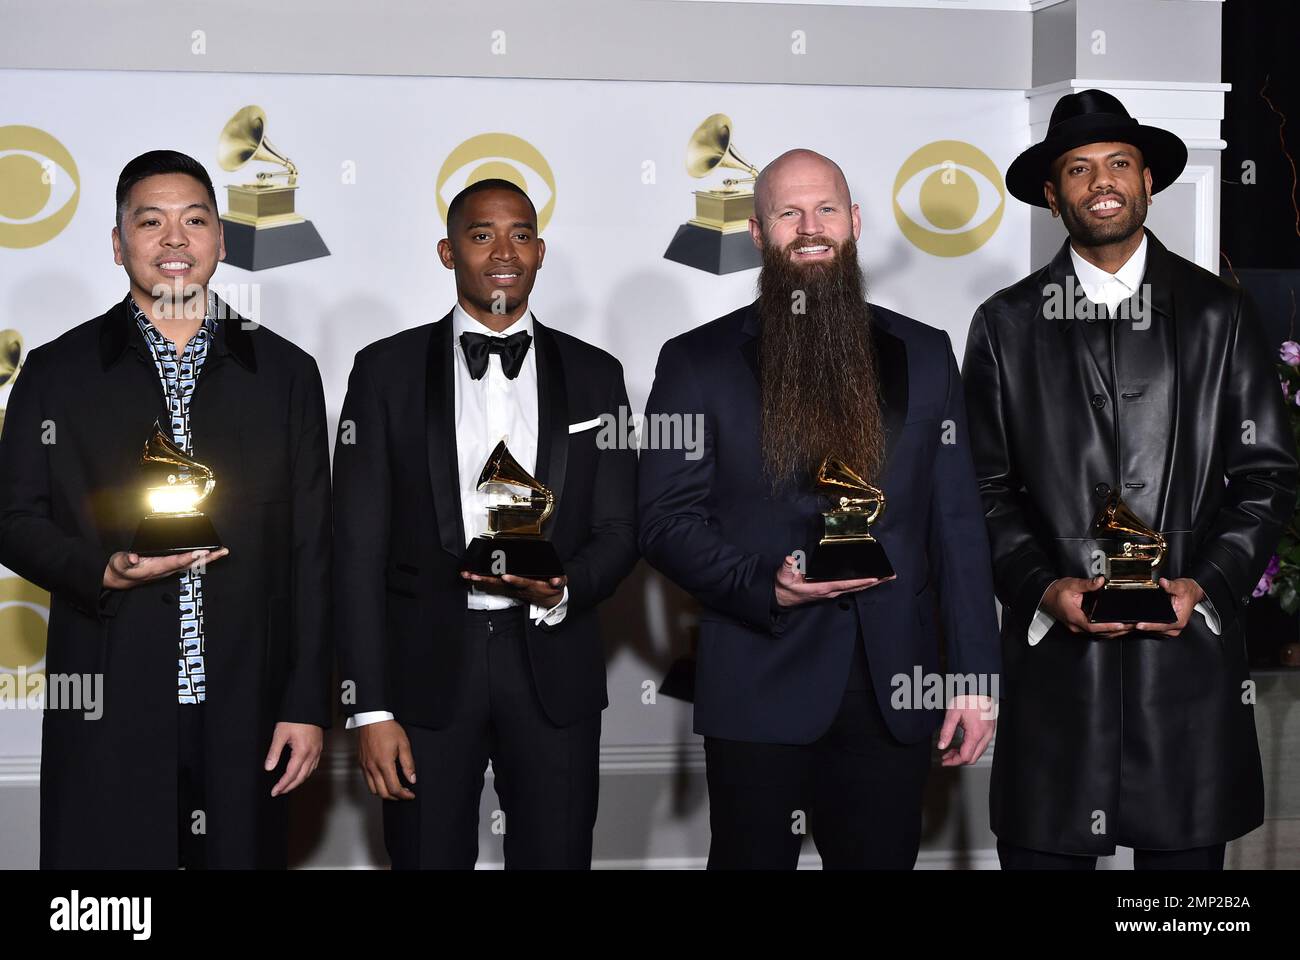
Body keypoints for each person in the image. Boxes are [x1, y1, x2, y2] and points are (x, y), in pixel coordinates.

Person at [963, 89, 1299, 870]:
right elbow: (981, 490)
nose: (1101, 181)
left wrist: (1204, 583)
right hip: (1055, 676)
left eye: (1119, 163)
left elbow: (1266, 477)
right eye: (1078, 169)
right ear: (1052, 196)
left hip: (1186, 673)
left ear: (1149, 182)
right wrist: (1045, 588)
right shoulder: (1005, 324)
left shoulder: (1223, 314)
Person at [638, 149, 1001, 869]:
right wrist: (762, 583)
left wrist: (974, 680)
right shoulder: (696, 361)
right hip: (758, 683)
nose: (811, 228)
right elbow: (664, 521)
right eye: (788, 213)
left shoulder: (927, 354)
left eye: (827, 209)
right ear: (756, 232)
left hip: (896, 684)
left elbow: (957, 527)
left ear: (855, 222)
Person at [0, 150, 331, 868]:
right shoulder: (58, 372)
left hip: (247, 708)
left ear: (220, 239)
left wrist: (306, 703)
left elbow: (313, 552)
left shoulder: (284, 373)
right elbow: (14, 518)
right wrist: (101, 569)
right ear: (119, 245)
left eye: (195, 220)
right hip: (110, 702)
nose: (174, 240)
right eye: (151, 222)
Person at [333, 178, 638, 868]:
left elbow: (623, 526)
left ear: (540, 251)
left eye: (521, 234)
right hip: (424, 672)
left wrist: (563, 587)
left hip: (553, 667)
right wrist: (370, 709)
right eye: (481, 235)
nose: (504, 251)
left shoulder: (598, 375)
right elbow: (355, 548)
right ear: (448, 252)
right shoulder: (384, 372)